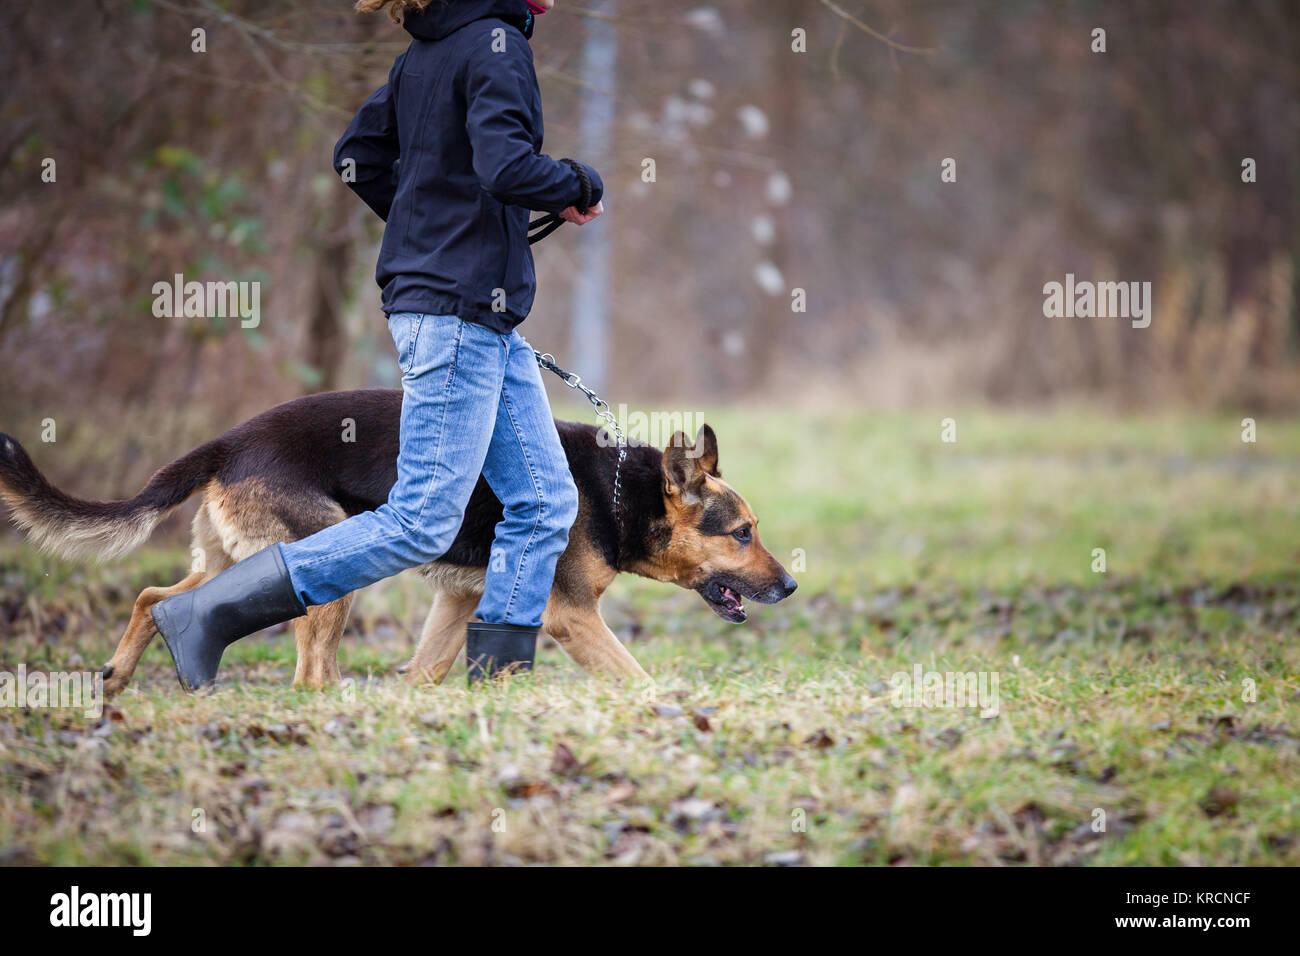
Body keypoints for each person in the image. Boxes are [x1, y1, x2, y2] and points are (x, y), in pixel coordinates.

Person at [150, 0, 604, 689]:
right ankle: (206, 613)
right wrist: (578, 183)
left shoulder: (425, 54)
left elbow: (357, 158)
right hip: (456, 311)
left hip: (478, 312)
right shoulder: (494, 43)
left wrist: (427, 224)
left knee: (543, 502)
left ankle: (498, 687)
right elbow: (508, 168)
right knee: (423, 520)